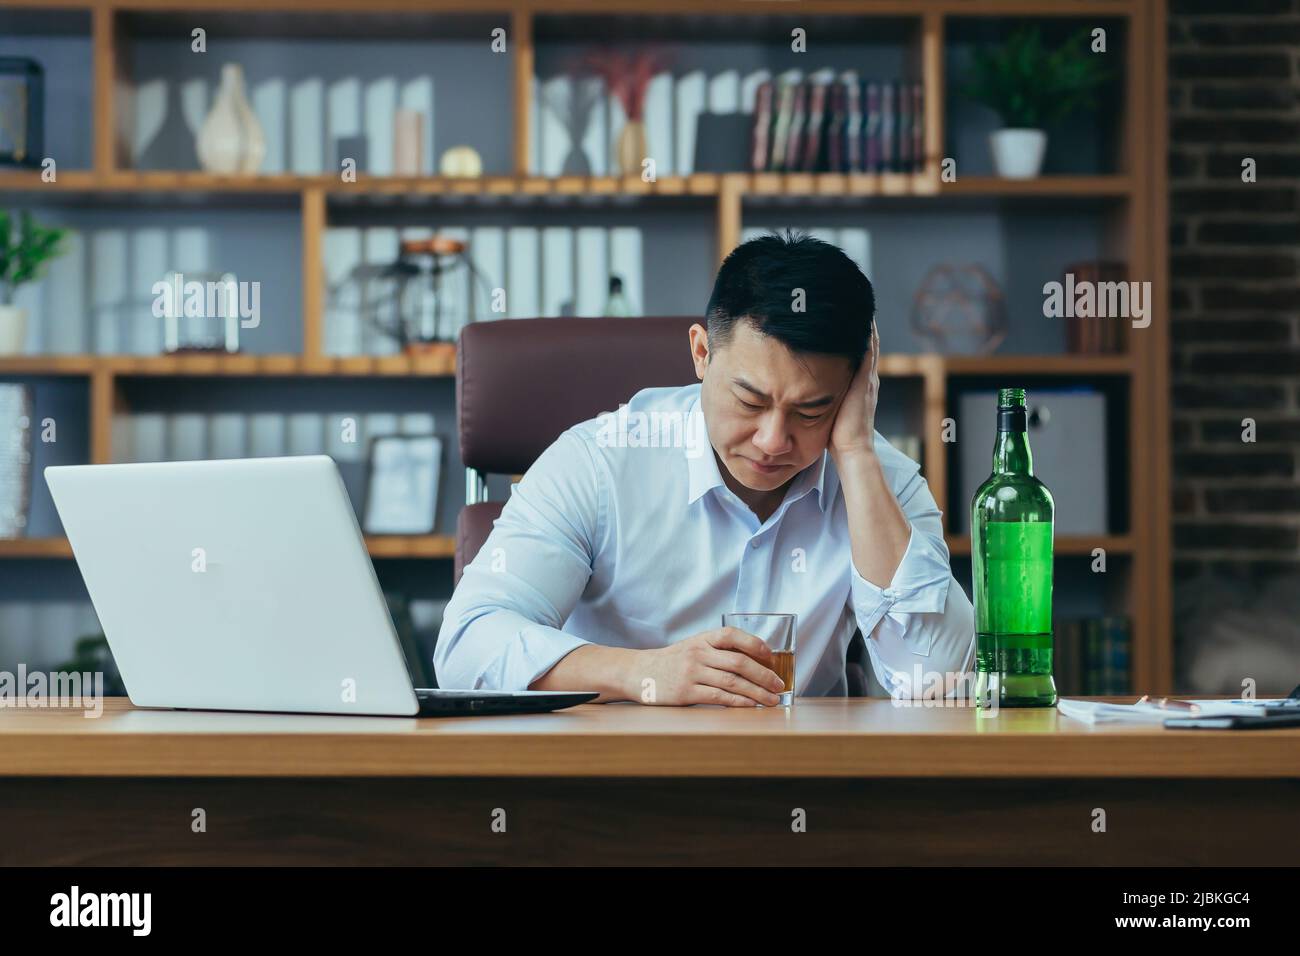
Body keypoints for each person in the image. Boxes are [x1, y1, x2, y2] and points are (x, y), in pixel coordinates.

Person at [436, 231, 975, 705]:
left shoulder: (880, 478)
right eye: (749, 400)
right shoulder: (599, 461)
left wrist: (855, 453)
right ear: (701, 354)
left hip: (804, 785)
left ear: (857, 390)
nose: (772, 440)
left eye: (812, 410)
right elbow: (466, 645)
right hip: (611, 781)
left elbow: (937, 674)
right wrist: (640, 673)